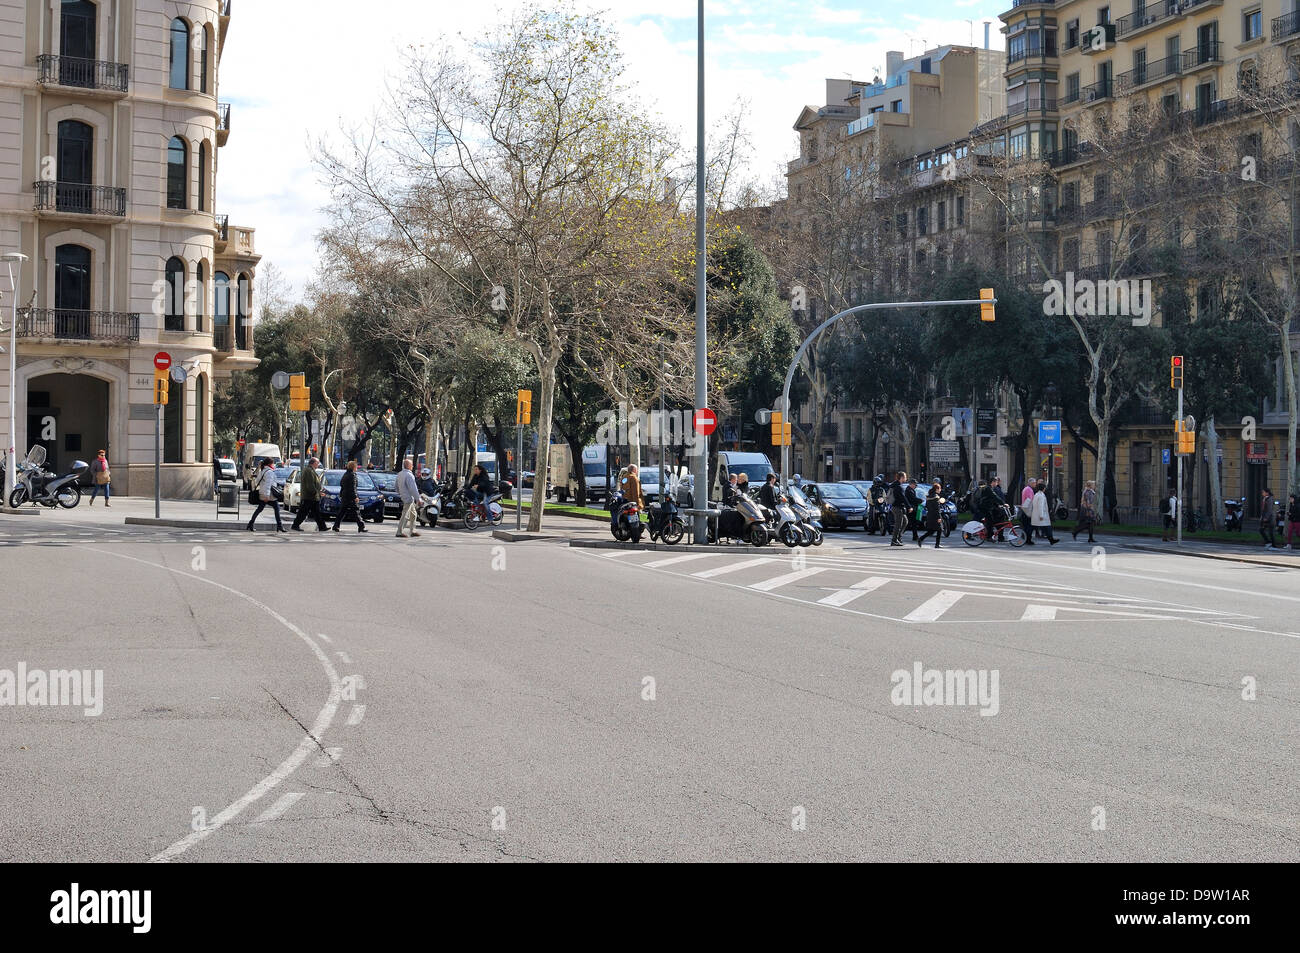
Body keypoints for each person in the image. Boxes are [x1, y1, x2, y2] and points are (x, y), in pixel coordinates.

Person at [247, 459, 286, 532]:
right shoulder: (269, 472)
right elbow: (268, 484)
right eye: (273, 463)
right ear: (270, 464)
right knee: (277, 509)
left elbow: (257, 481)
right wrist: (267, 495)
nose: (274, 465)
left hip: (262, 493)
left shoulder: (262, 471)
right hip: (269, 495)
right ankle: (279, 526)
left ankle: (250, 524)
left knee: (259, 509)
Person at [292, 457, 327, 531]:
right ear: (313, 463)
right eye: (317, 463)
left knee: (316, 513)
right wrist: (316, 492)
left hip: (313, 496)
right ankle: (295, 525)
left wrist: (318, 492)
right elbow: (310, 485)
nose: (318, 465)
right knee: (303, 512)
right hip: (309, 496)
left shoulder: (311, 470)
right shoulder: (308, 471)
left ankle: (322, 526)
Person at [332, 460, 367, 533]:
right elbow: (353, 487)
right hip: (350, 496)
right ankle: (361, 526)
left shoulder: (346, 474)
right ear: (353, 467)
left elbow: (342, 484)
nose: (356, 468)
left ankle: (336, 526)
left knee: (342, 512)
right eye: (356, 467)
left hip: (345, 496)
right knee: (356, 511)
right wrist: (355, 497)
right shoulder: (352, 475)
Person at [395, 458, 422, 538]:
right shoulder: (409, 475)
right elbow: (413, 488)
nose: (413, 466)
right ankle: (399, 532)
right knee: (405, 515)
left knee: (413, 514)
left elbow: (396, 487)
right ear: (409, 466)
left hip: (404, 497)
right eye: (412, 465)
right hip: (408, 498)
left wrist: (401, 493)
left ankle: (413, 531)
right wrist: (418, 499)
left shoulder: (400, 474)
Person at [917, 480, 945, 548]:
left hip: (930, 515)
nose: (940, 490)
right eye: (939, 488)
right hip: (935, 516)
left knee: (931, 531)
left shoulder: (929, 497)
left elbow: (927, 506)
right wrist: (939, 517)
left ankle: (921, 539)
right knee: (939, 529)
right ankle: (937, 544)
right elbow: (937, 509)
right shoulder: (936, 497)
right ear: (936, 489)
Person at [1031, 480, 1059, 545]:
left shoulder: (1037, 494)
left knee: (1040, 527)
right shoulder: (1041, 496)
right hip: (1041, 515)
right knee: (1047, 527)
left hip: (1037, 514)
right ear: (1043, 489)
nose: (1045, 489)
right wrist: (1041, 515)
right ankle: (1051, 539)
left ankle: (1051, 539)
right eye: (1044, 488)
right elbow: (1040, 506)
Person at [890, 471, 909, 546]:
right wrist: (909, 506)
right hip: (897, 507)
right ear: (901, 478)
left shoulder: (896, 485)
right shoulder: (898, 487)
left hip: (898, 507)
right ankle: (894, 540)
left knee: (905, 521)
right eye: (905, 477)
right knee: (898, 524)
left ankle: (898, 537)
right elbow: (902, 497)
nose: (906, 478)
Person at [1018, 480, 1036, 545]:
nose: (1035, 484)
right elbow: (1030, 500)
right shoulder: (1029, 490)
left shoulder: (1026, 489)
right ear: (1031, 483)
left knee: (1026, 526)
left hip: (1025, 510)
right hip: (1027, 511)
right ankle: (1028, 539)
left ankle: (1025, 538)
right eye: (1034, 483)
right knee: (1029, 526)